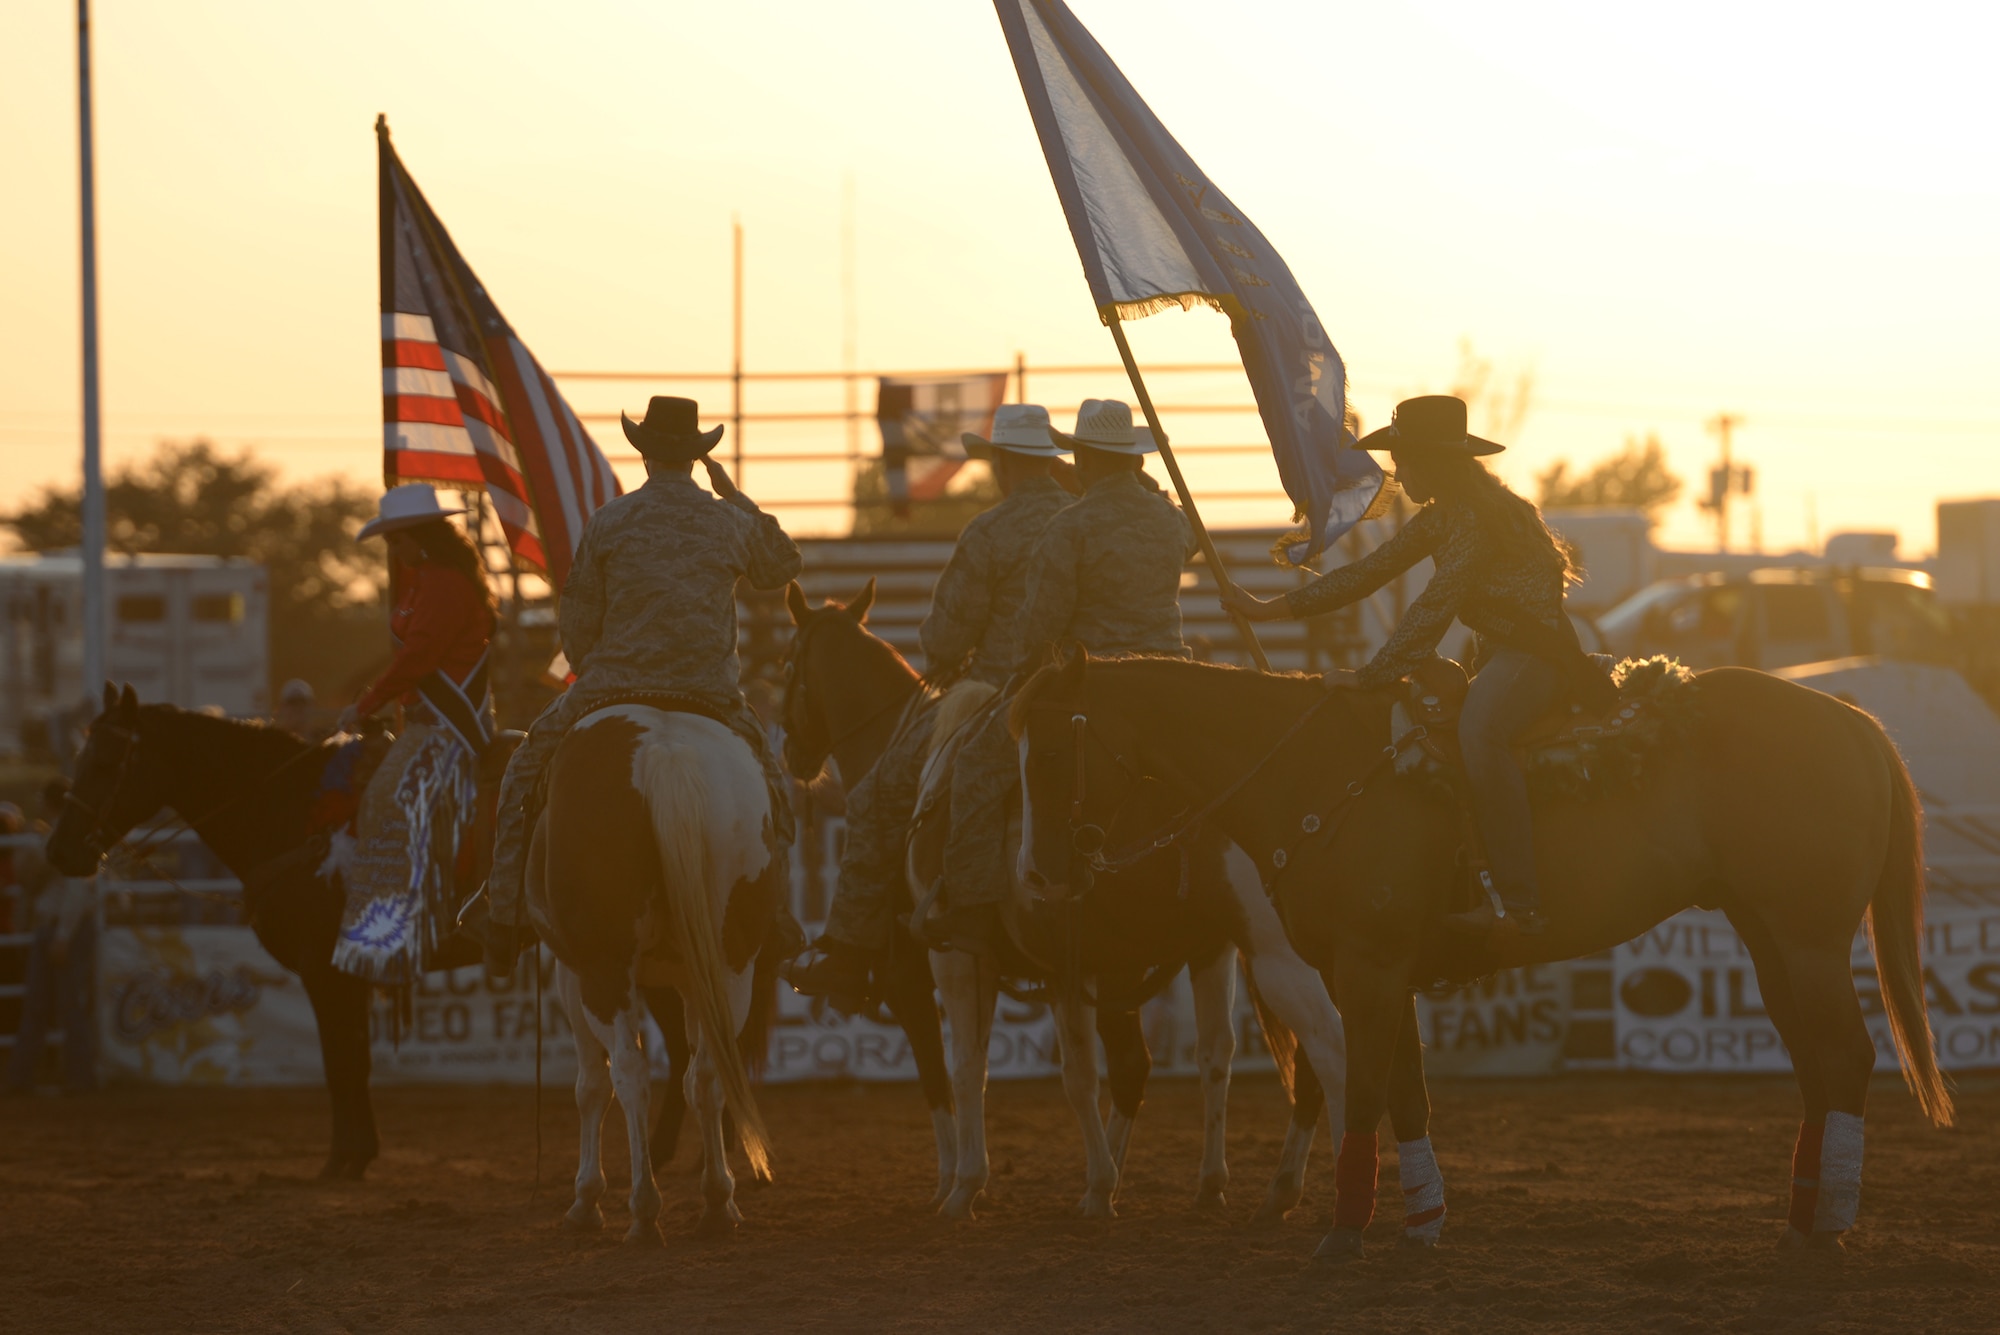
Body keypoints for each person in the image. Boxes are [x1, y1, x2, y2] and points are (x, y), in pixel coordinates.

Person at [1221, 394, 1579, 936]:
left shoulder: (1475, 519)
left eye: (1402, 460)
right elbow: (1369, 572)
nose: (1396, 470)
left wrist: (1371, 676)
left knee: (1480, 732)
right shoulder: (1446, 515)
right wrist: (1271, 610)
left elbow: (1434, 606)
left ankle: (1520, 904)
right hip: (1506, 654)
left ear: (1431, 461)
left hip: (1537, 656)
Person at [478, 396, 803, 973]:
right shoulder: (726, 519)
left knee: (524, 773)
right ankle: (777, 916)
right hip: (712, 696)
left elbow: (578, 625)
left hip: (612, 688)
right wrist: (734, 496)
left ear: (646, 456)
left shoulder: (610, 520)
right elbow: (782, 565)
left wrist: (601, 662)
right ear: (698, 457)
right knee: (773, 789)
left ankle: (502, 913)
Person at [788, 403, 1076, 998]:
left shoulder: (990, 531)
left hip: (995, 694)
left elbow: (945, 638)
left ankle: (851, 951)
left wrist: (950, 650)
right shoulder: (1084, 519)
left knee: (875, 796)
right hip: (1082, 686)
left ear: (1000, 465)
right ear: (1049, 463)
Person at [925, 399, 1195, 955]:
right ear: (1135, 462)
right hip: (1172, 684)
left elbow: (1038, 634)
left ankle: (973, 912)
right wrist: (1146, 491)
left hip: (1093, 688)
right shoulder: (1172, 522)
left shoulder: (1067, 528)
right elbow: (1187, 537)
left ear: (1083, 460)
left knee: (975, 766)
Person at [328, 484, 497, 982]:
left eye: (395, 541)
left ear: (416, 538)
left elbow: (419, 656)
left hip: (450, 729)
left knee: (387, 799)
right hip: (429, 721)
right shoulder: (428, 579)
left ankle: (401, 931)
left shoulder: (442, 583)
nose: (392, 551)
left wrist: (366, 704)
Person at [5, 781, 97, 1094]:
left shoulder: (54, 838)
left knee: (46, 1004)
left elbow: (72, 888)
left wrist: (62, 935)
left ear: (48, 803)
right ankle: (75, 1078)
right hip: (60, 926)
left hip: (57, 927)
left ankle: (28, 1077)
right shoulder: (65, 836)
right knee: (64, 1004)